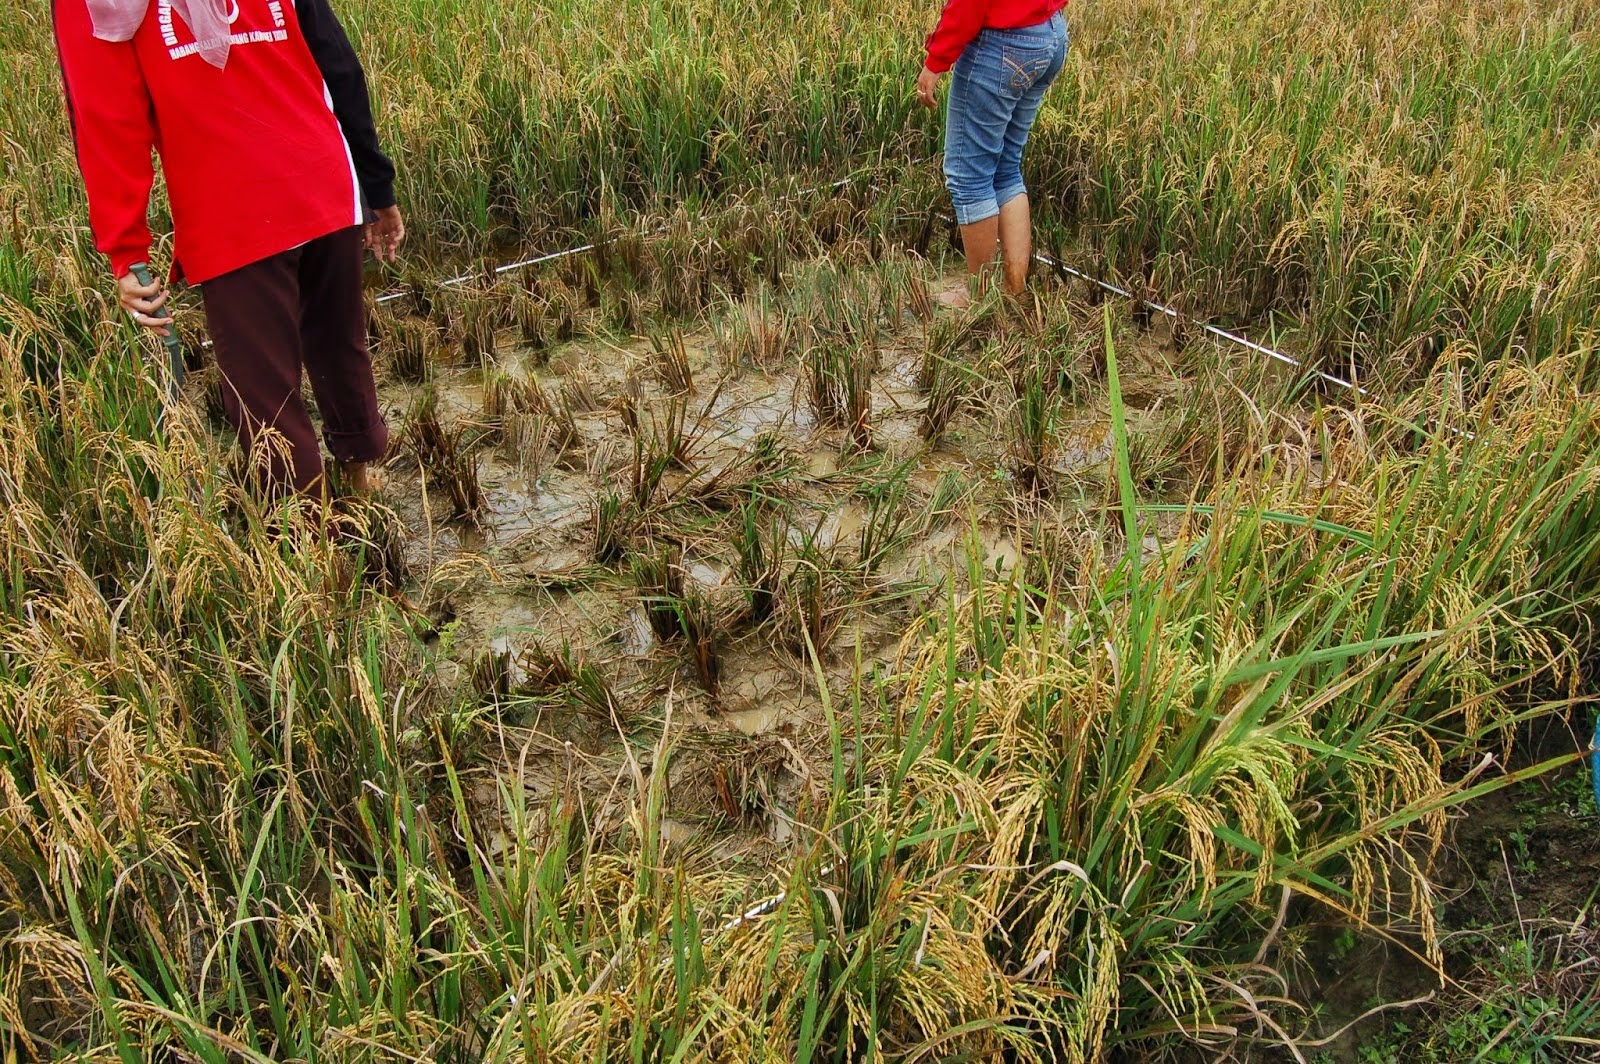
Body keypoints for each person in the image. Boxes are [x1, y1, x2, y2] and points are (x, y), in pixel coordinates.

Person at [54, 0, 405, 498]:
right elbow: (340, 64)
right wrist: (376, 187)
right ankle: (359, 483)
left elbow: (106, 117)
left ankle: (308, 542)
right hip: (325, 182)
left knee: (266, 401)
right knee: (338, 344)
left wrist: (126, 249)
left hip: (231, 215)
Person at [917, 0, 1069, 305]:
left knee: (969, 177)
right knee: (1006, 167)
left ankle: (978, 296)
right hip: (1048, 32)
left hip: (1004, 43)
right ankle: (1014, 291)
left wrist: (936, 60)